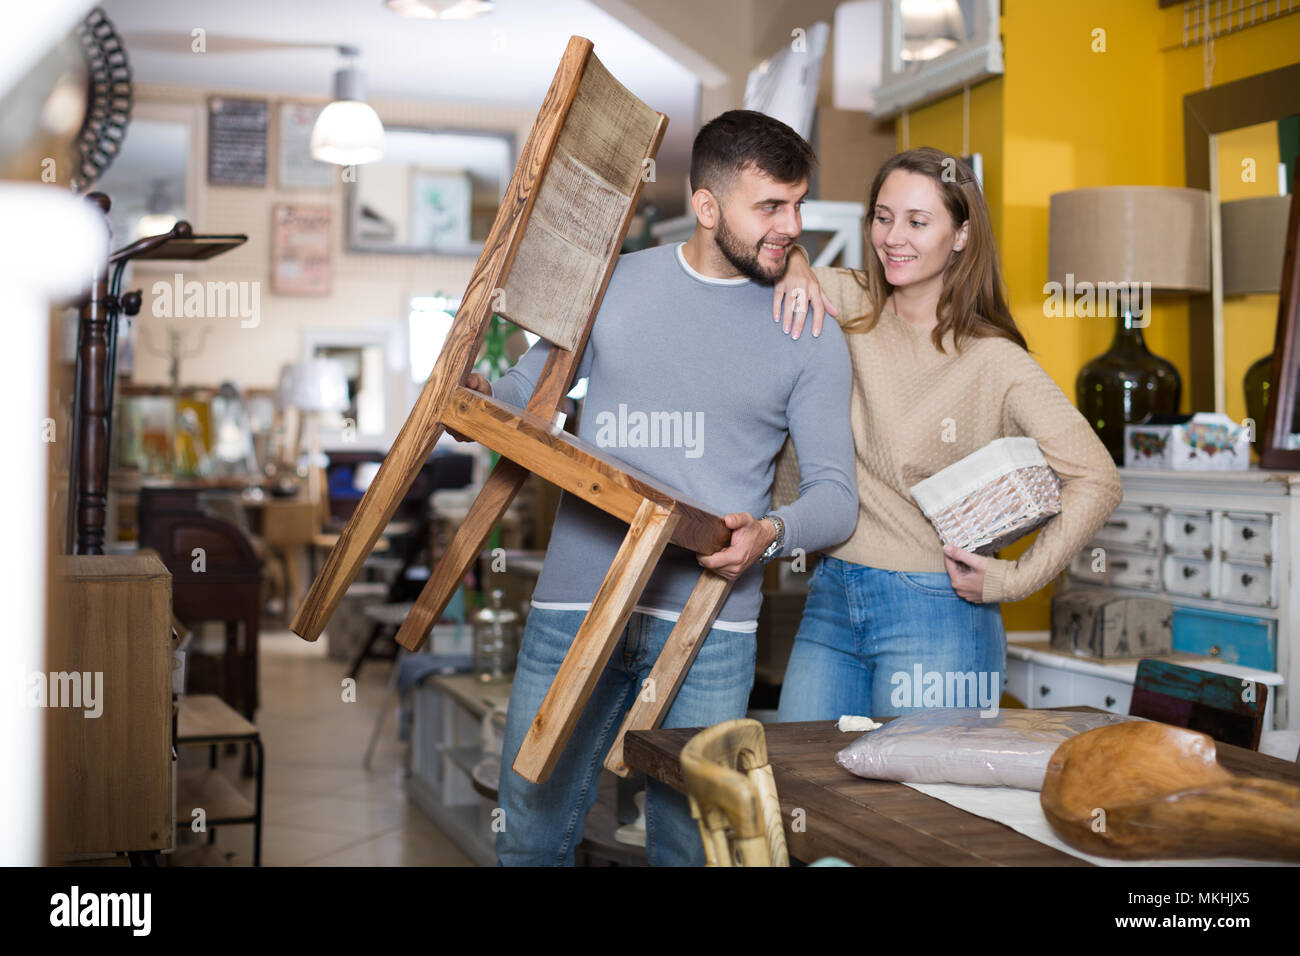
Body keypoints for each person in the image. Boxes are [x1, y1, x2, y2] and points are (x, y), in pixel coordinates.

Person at [459, 110, 858, 865]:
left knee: (689, 851)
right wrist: (473, 401)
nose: (792, 226)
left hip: (710, 629)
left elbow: (837, 497)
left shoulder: (808, 326)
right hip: (576, 604)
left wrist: (770, 534)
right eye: (771, 207)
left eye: (799, 204)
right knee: (531, 834)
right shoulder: (610, 284)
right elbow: (521, 398)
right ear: (707, 208)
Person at [767, 146, 1123, 720]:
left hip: (938, 609)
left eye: (917, 221)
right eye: (882, 217)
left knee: (918, 808)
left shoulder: (994, 360)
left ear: (960, 234)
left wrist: (1016, 578)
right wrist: (799, 262)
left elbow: (1097, 478)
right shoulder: (850, 299)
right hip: (832, 591)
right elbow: (775, 260)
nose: (892, 237)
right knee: (797, 792)